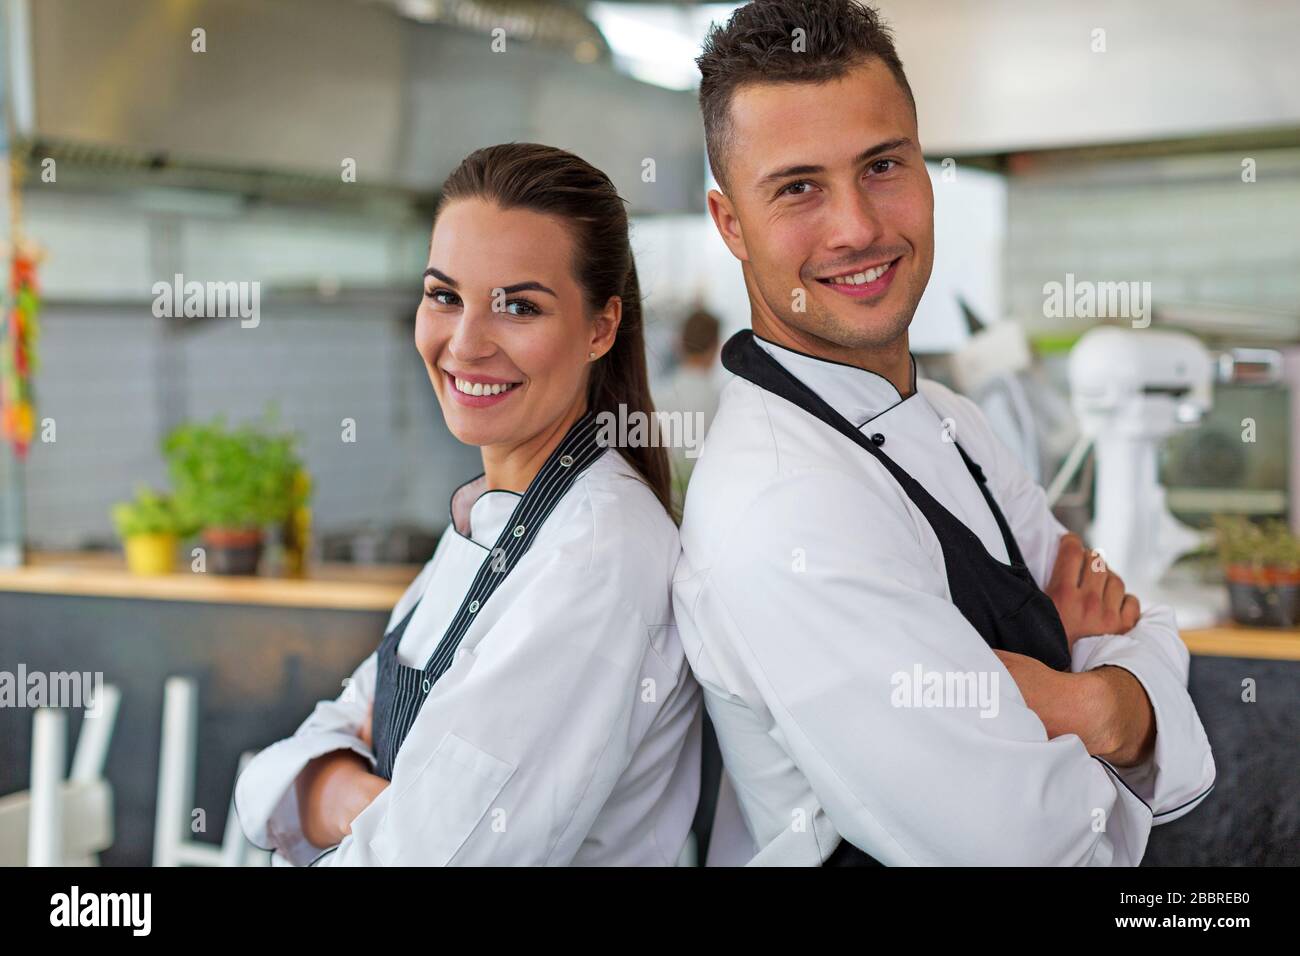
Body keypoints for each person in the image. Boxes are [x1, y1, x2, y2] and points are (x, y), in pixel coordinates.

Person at [675, 0, 1215, 865]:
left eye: (882, 165)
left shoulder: (953, 421)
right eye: (799, 187)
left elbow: (1139, 622)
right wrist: (1113, 701)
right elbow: (1029, 846)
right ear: (731, 223)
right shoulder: (781, 507)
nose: (857, 227)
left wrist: (1088, 706)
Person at [236, 143, 701, 866]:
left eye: (518, 306)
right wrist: (360, 800)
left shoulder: (597, 553)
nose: (466, 342)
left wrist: (354, 798)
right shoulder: (492, 518)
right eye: (444, 296)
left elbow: (426, 857)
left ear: (600, 328)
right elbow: (309, 749)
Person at [652, 308, 723, 508]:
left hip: (661, 510)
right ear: (716, 347)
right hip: (703, 514)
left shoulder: (653, 399)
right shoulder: (725, 404)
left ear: (679, 344)